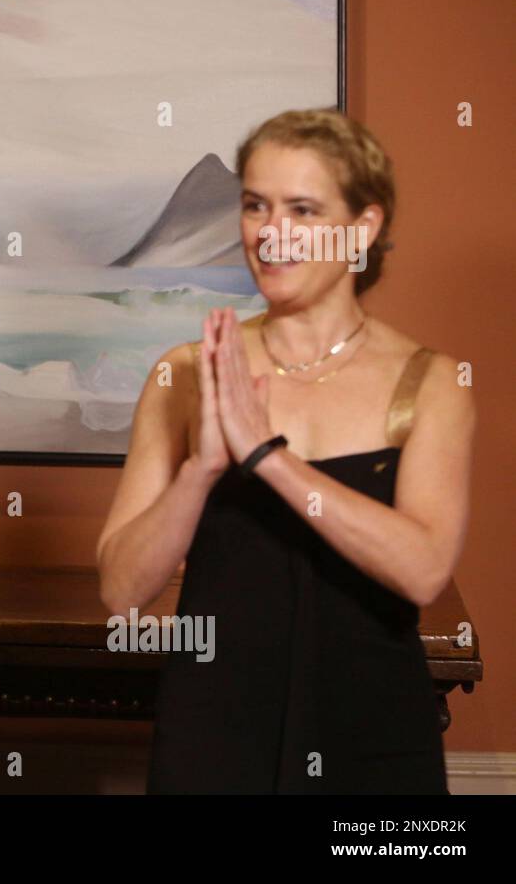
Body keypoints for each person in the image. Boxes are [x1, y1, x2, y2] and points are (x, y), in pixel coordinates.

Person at [97, 108, 474, 793]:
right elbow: (122, 591)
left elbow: (422, 571)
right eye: (255, 206)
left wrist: (266, 455)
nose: (272, 234)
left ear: (365, 227)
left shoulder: (432, 382)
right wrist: (202, 468)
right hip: (212, 732)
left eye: (302, 209)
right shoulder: (185, 372)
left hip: (375, 736)